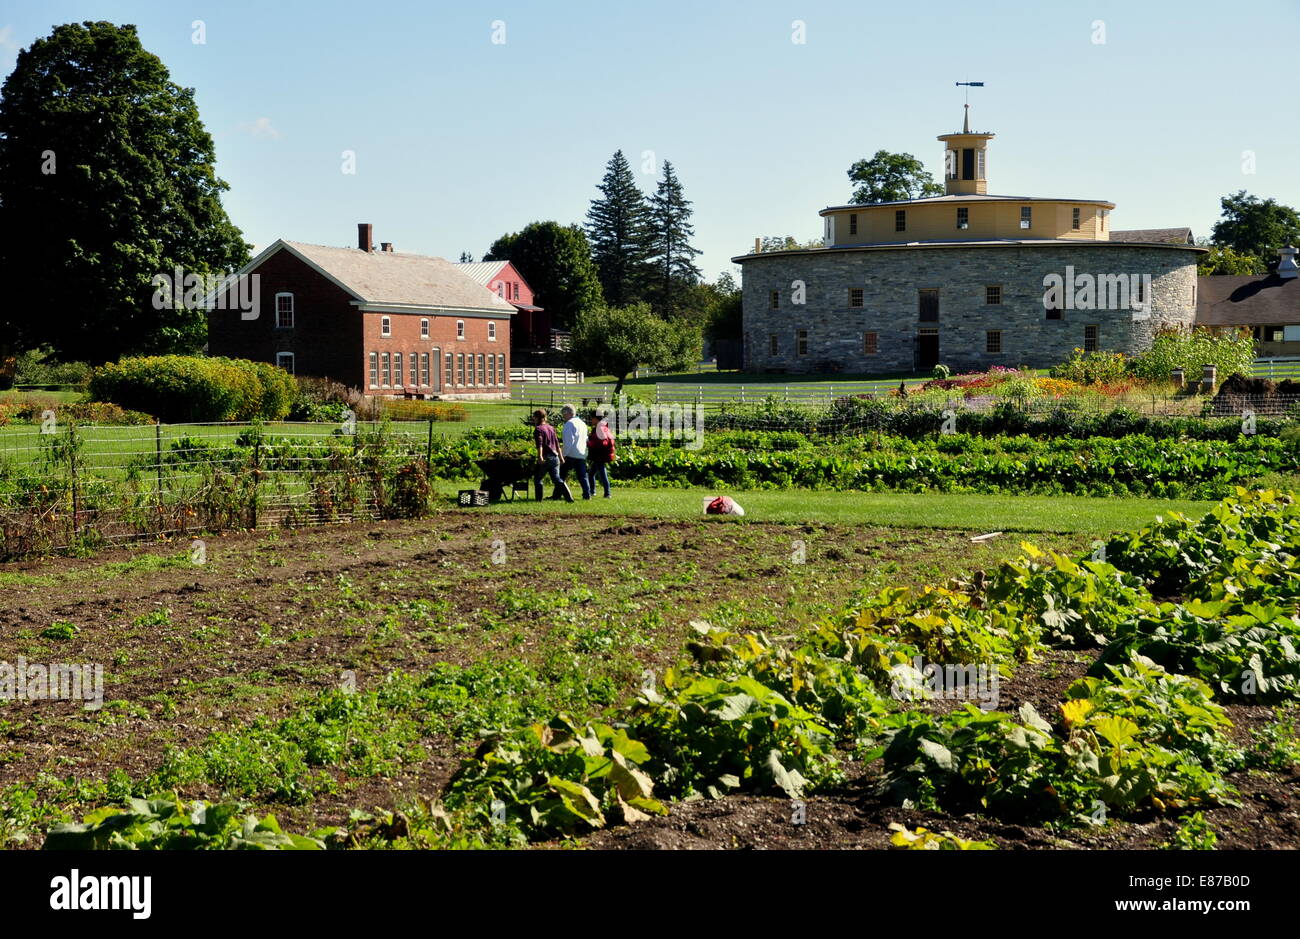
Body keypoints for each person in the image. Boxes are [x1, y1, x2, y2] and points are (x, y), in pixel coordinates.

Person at [532, 408, 571, 502]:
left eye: (534, 418)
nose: (533, 419)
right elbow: (557, 444)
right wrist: (561, 458)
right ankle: (569, 497)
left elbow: (540, 444)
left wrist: (540, 457)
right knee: (557, 479)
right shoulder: (551, 428)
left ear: (536, 418)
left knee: (538, 478)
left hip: (546, 457)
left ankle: (538, 500)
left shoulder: (538, 429)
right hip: (555, 457)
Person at [558, 404, 592, 500]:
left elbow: (569, 441)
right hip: (581, 453)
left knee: (561, 475)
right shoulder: (582, 423)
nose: (563, 417)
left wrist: (563, 455)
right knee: (582, 476)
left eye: (563, 414)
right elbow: (586, 439)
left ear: (567, 413)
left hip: (571, 453)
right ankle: (587, 494)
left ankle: (557, 494)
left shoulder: (569, 424)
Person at [586, 408, 616, 498]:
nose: (591, 420)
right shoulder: (603, 427)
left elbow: (602, 442)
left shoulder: (600, 428)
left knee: (602, 474)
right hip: (600, 455)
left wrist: (588, 442)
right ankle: (593, 491)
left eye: (592, 418)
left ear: (596, 418)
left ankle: (607, 493)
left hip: (600, 455)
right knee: (591, 474)